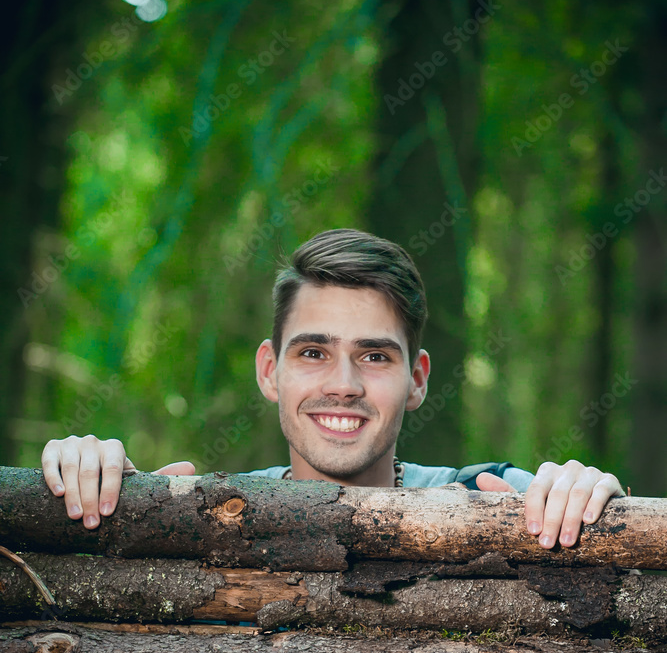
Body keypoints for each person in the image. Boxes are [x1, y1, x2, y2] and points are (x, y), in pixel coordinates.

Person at [40, 228, 626, 550]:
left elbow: (607, 536)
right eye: (313, 353)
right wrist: (91, 488)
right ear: (270, 371)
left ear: (416, 379)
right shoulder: (210, 521)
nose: (343, 386)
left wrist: (593, 499)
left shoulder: (494, 495)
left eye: (373, 356)